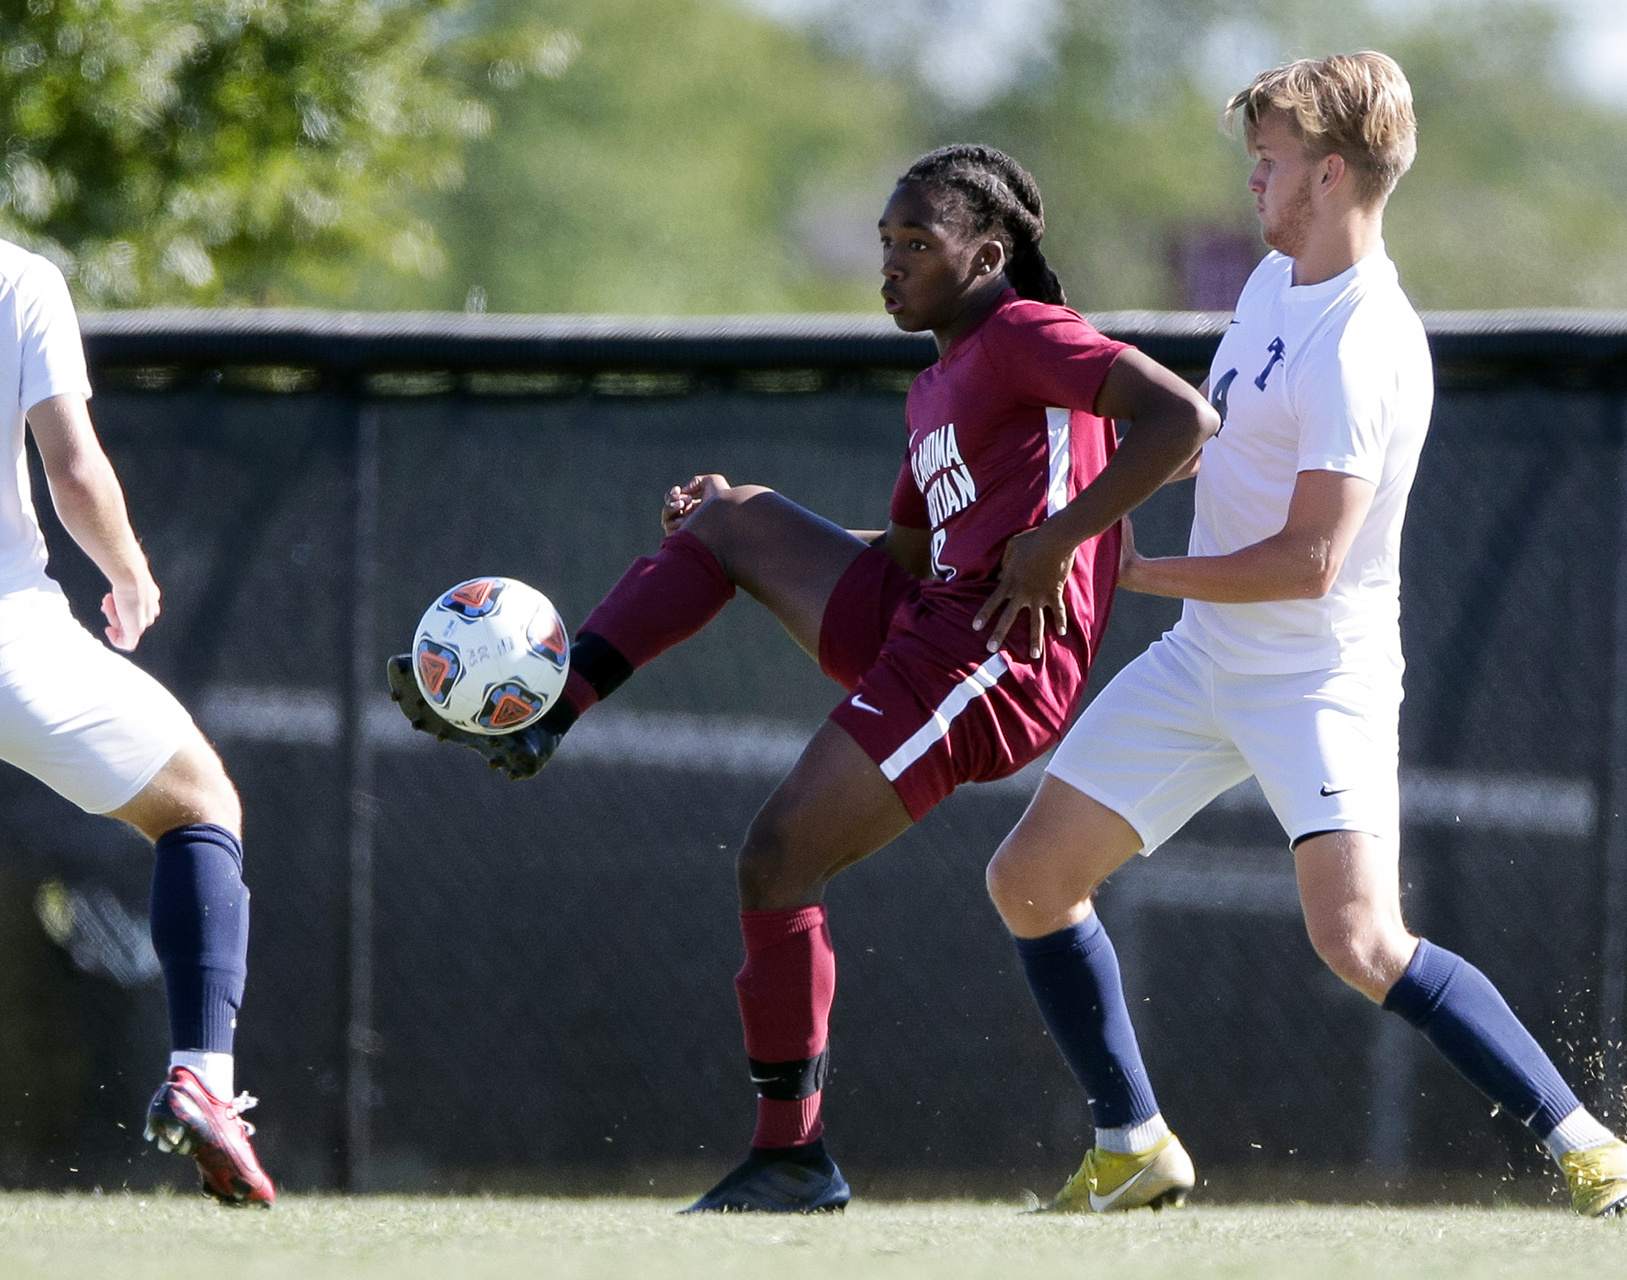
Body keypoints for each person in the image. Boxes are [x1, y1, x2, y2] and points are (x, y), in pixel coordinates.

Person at [389, 144, 1220, 1213]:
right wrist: (743, 523)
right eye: (885, 242)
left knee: (777, 855)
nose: (892, 263)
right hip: (934, 612)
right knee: (731, 517)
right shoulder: (937, 385)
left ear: (989, 253)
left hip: (993, 659)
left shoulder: (1021, 331)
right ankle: (548, 711)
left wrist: (1060, 537)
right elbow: (914, 552)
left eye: (918, 243)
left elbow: (1181, 418)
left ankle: (793, 1157)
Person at [983, 53, 1627, 1217]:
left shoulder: (1366, 340)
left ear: (1333, 171)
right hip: (1208, 656)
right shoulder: (1272, 283)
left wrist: (1131, 567)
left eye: (1273, 160)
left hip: (1316, 675)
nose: (1254, 179)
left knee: (1359, 939)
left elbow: (1309, 563)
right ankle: (1132, 1140)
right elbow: (1219, 439)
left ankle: (1588, 1139)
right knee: (1031, 880)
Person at [0, 240, 275, 1205]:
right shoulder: (17, 277)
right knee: (197, 804)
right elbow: (73, 470)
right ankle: (204, 1070)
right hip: (8, 637)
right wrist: (128, 572)